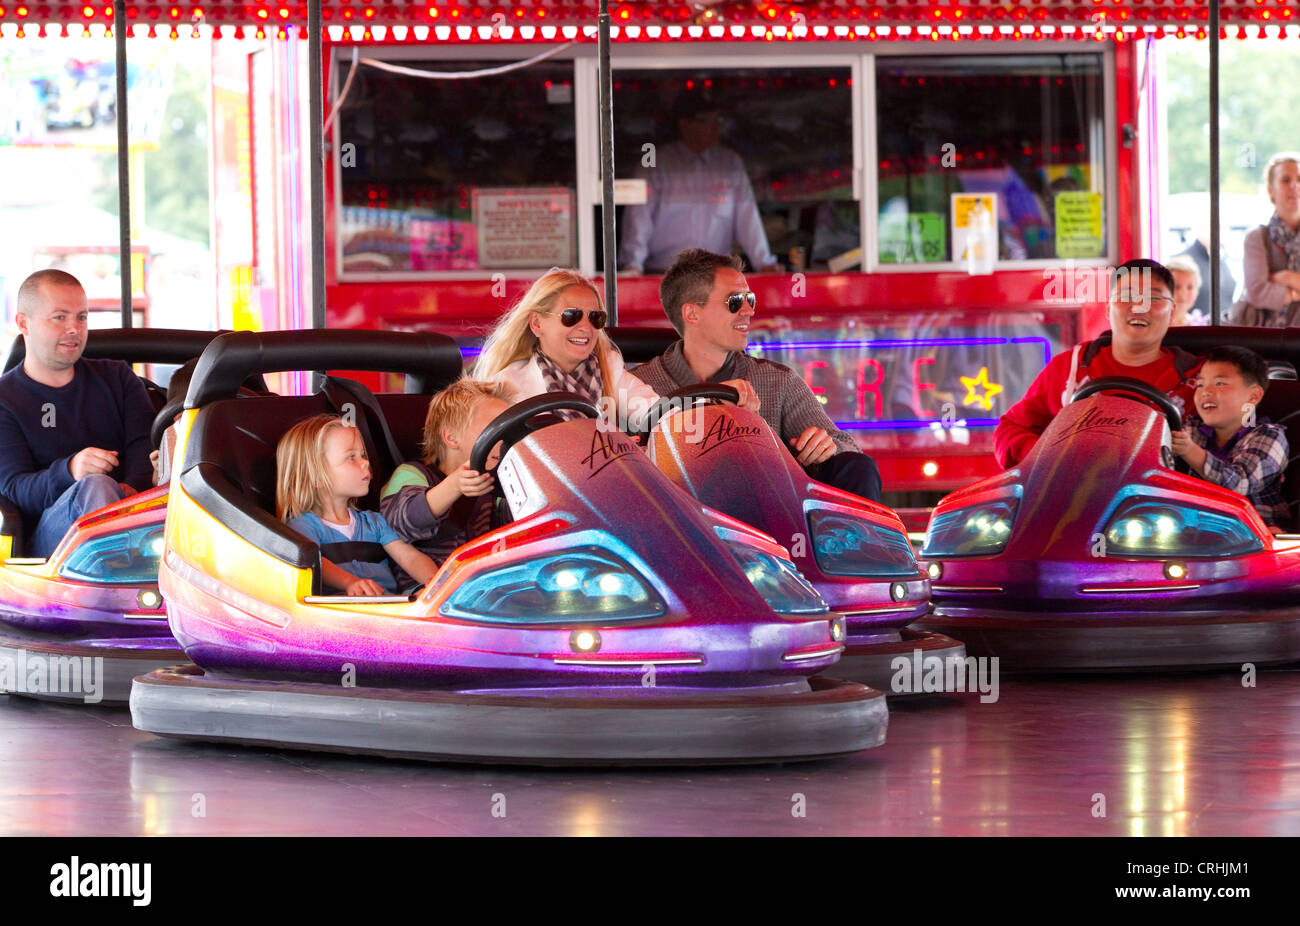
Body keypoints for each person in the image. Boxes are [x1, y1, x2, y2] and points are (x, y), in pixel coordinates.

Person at [632, 248, 883, 502]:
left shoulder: (777, 382)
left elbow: (845, 446)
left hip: (769, 528)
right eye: (734, 302)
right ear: (692, 314)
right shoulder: (638, 385)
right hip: (676, 525)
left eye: (749, 299)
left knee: (858, 468)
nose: (748, 311)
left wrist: (827, 448)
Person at [475, 267, 757, 432]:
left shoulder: (608, 368)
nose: (586, 328)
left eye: (595, 318)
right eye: (572, 316)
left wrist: (715, 403)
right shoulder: (507, 385)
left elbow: (658, 413)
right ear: (537, 323)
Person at [0, 269, 154, 558]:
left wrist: (131, 488)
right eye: (60, 317)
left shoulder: (118, 378)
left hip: (135, 520)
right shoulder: (6, 400)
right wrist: (71, 471)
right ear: (24, 323)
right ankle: (116, 579)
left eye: (81, 318)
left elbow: (144, 446)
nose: (74, 328)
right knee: (95, 486)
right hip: (51, 545)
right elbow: (15, 489)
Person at [994, 258, 1202, 469]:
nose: (1139, 307)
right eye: (1127, 296)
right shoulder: (1070, 367)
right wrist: (1049, 457)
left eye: (1153, 297)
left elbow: (1229, 457)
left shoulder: (1202, 379)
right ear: (1108, 308)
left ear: (1172, 311)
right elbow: (1010, 429)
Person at [618, 91, 780, 276]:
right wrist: (633, 264)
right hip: (666, 274)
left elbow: (747, 217)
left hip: (716, 276)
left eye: (718, 120)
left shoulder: (729, 162)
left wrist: (764, 262)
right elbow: (639, 218)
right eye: (706, 121)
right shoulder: (657, 163)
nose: (715, 127)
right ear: (684, 124)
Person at [277, 414, 436, 596]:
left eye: (362, 455)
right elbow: (314, 561)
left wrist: (434, 582)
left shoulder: (374, 522)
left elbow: (409, 557)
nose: (365, 462)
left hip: (386, 605)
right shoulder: (303, 526)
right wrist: (349, 582)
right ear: (317, 477)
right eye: (351, 457)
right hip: (339, 612)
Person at [381, 379, 510, 572]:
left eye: (506, 431)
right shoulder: (412, 474)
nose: (502, 440)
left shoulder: (495, 483)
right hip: (422, 590)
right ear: (451, 438)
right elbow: (401, 523)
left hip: (478, 583)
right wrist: (454, 485)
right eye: (492, 430)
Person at [1170, 345, 1289, 534]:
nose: (1205, 392)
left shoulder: (1270, 436)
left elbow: (1239, 483)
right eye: (1200, 384)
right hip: (1194, 527)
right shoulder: (1192, 429)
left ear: (1253, 395)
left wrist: (1189, 451)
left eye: (1220, 384)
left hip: (1254, 533)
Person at [1234, 152, 1300, 327]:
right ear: (1271, 191)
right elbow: (1256, 292)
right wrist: (1294, 294)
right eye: (1286, 180)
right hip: (1265, 341)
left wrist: (1287, 278)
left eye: (1299, 179)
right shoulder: (1257, 237)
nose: (1294, 185)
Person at [1165, 254, 1203, 327]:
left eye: (1190, 287)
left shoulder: (1199, 326)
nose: (1183, 294)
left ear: (1197, 290)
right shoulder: (1155, 327)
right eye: (1176, 287)